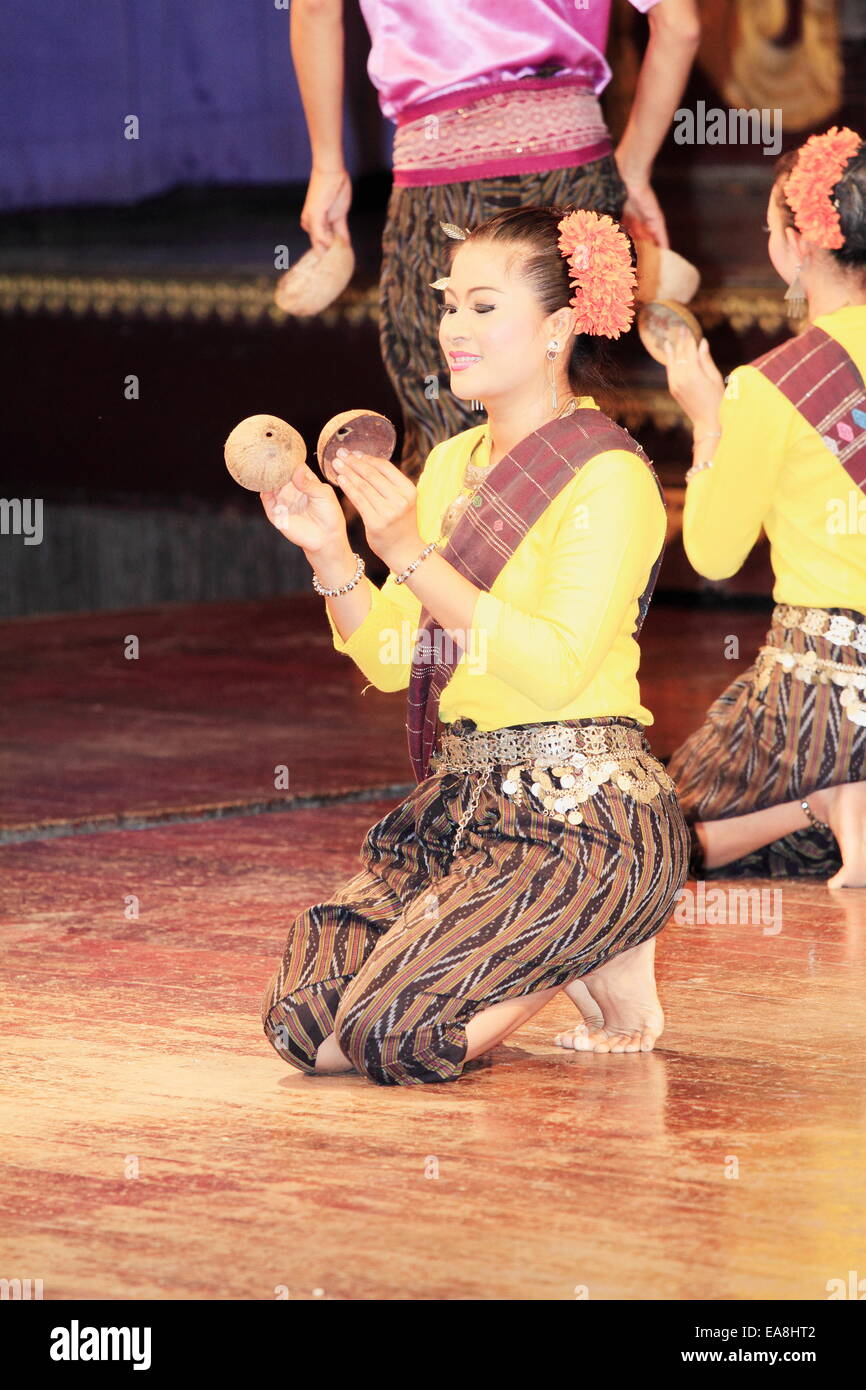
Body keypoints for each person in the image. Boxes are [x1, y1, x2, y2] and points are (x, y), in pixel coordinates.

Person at [258, 206, 691, 1086]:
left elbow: (553, 664)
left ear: (559, 330)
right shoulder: (452, 463)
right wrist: (333, 549)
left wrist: (412, 553)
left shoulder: (609, 477)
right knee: (304, 1018)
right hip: (466, 813)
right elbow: (394, 658)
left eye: (484, 308)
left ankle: (588, 933)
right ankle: (563, 945)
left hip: (580, 819)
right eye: (450, 302)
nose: (452, 326)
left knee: (388, 1036)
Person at [290, 0, 700, 484]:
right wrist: (631, 169)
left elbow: (316, 9)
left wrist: (327, 166)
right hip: (575, 170)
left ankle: (452, 555)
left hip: (442, 178)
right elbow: (680, 24)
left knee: (449, 430)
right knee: (567, 413)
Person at [663, 127, 866, 889]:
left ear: (795, 246)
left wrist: (710, 422)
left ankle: (823, 798)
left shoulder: (771, 383)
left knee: (636, 833)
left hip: (818, 693)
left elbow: (713, 556)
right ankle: (835, 807)